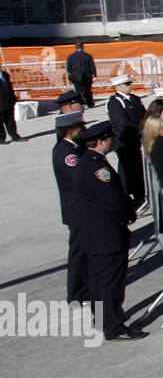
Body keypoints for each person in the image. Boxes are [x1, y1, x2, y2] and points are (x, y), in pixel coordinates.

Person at [72, 121, 147, 341]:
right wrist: (128, 212)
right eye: (110, 137)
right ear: (102, 140)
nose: (113, 140)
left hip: (94, 232)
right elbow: (113, 200)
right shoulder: (98, 168)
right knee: (110, 282)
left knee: (97, 281)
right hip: (107, 233)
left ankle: (102, 318)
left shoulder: (86, 162)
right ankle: (114, 325)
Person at [53, 111, 88, 302]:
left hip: (81, 209)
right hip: (78, 210)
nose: (83, 129)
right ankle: (76, 294)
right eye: (80, 127)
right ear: (69, 130)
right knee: (79, 253)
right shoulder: (66, 153)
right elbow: (80, 179)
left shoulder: (73, 147)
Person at [106, 75, 146, 207]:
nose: (130, 86)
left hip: (135, 139)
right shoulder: (115, 102)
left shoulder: (135, 99)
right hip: (124, 141)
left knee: (137, 168)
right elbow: (122, 123)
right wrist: (140, 127)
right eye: (126, 84)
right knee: (126, 169)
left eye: (129, 84)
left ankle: (139, 194)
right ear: (118, 87)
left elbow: (144, 115)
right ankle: (125, 195)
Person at [65, 43, 97, 108]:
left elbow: (68, 68)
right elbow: (92, 66)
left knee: (78, 91)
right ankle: (90, 103)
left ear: (75, 48)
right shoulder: (88, 56)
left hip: (76, 76)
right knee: (88, 90)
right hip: (87, 75)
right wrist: (94, 74)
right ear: (83, 47)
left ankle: (80, 104)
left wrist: (72, 73)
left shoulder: (71, 56)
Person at [0, 65, 21, 144]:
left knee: (10, 120)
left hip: (8, 101)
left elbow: (10, 88)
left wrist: (13, 98)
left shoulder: (5, 74)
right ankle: (1, 138)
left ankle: (14, 136)